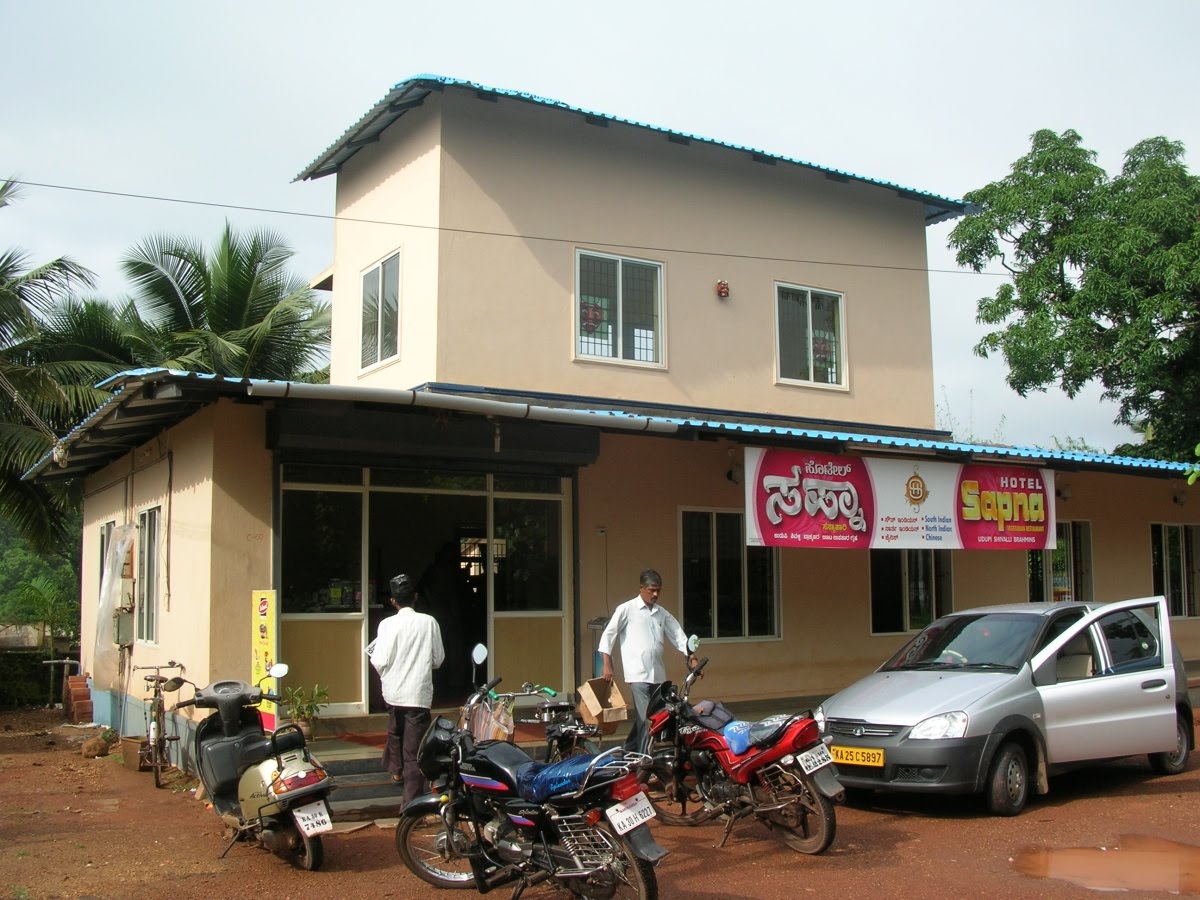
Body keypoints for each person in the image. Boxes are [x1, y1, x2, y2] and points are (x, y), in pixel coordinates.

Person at [598, 569, 697, 753]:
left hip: (658, 676)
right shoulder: (626, 609)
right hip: (638, 675)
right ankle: (645, 761)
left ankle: (628, 750)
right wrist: (607, 664)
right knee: (648, 720)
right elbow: (608, 635)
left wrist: (691, 656)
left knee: (653, 719)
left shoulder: (661, 613)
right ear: (641, 588)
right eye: (652, 590)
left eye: (658, 590)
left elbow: (677, 635)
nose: (655, 594)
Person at [369, 573, 444, 803]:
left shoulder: (386, 625)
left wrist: (390, 677)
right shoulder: (429, 622)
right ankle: (410, 803)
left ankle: (395, 769)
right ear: (416, 597)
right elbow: (438, 660)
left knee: (395, 732)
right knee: (414, 750)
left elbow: (378, 660)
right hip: (417, 695)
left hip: (392, 692)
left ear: (393, 601)